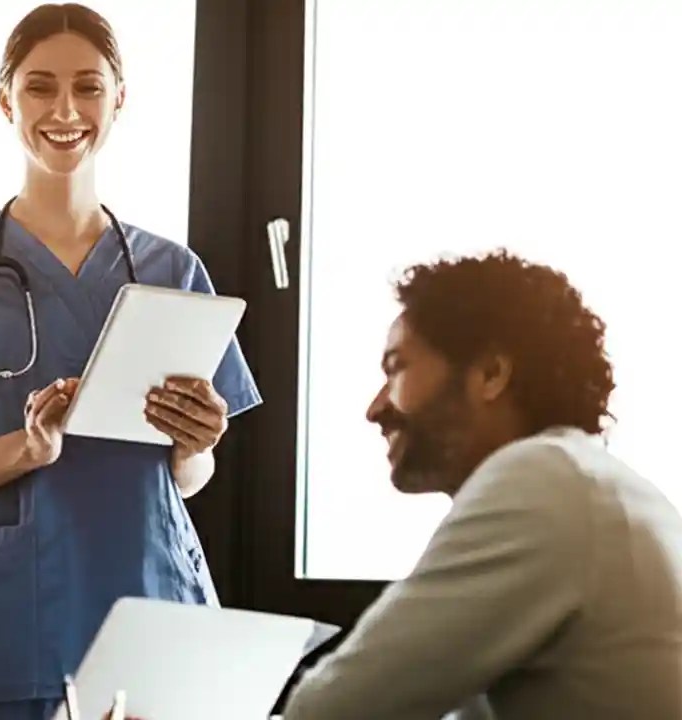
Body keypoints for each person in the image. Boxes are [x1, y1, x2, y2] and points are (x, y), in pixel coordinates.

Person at [0, 4, 261, 719]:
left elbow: (186, 480)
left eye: (89, 87)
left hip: (148, 603)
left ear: (120, 98)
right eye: (40, 86)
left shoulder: (171, 269)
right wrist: (28, 448)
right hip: (4, 619)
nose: (66, 109)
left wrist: (199, 443)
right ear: (5, 98)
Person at [282, 250, 682, 719]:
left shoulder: (541, 481)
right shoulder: (585, 481)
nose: (375, 408)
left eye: (397, 368)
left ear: (491, 373)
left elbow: (328, 713)